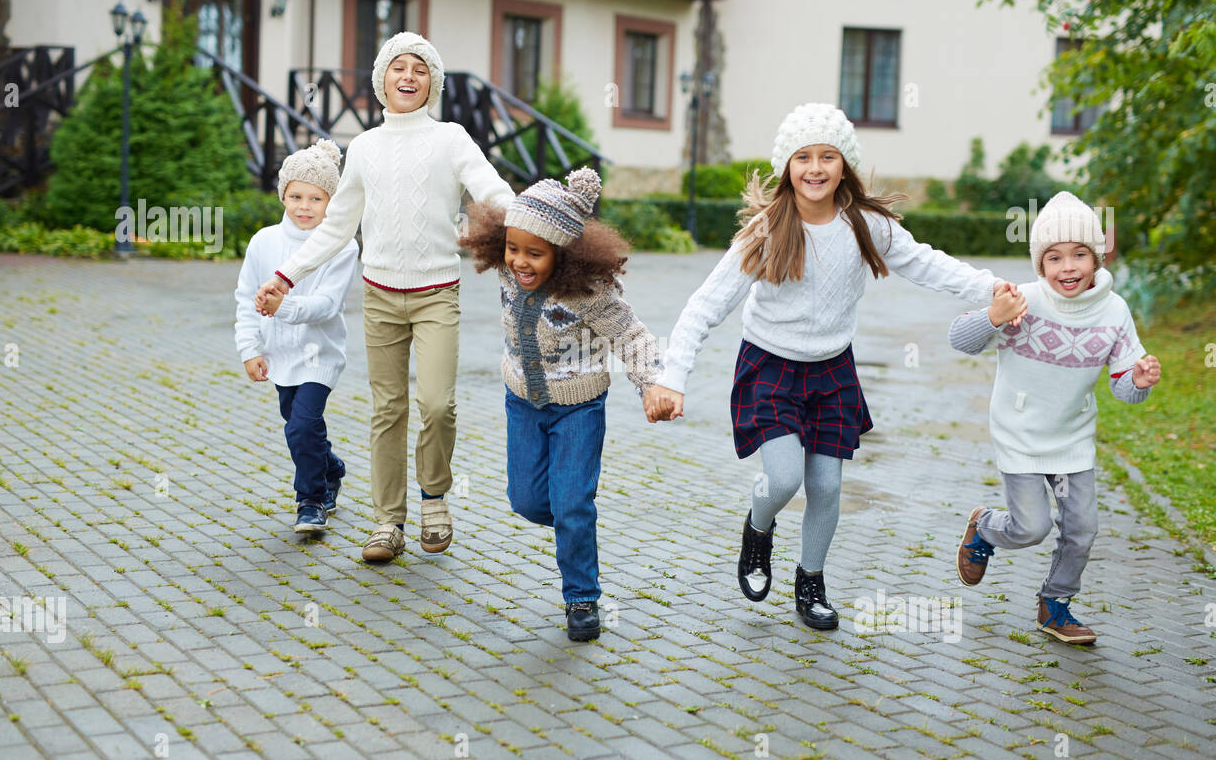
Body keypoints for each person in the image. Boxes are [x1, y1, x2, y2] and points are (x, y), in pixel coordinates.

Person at [644, 103, 1003, 631]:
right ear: (787, 166)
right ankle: (758, 527)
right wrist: (673, 377)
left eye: (827, 156)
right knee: (784, 478)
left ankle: (811, 581)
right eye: (803, 157)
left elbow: (927, 262)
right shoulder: (766, 229)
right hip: (768, 366)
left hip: (832, 370)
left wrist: (991, 287)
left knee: (829, 487)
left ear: (844, 165)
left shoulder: (867, 226)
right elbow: (706, 304)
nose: (815, 168)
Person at [254, 32, 514, 561]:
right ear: (382, 81)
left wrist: (528, 219)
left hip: (436, 294)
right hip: (379, 297)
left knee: (437, 405)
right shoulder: (366, 148)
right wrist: (287, 275)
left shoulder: (452, 139)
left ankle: (435, 499)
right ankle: (387, 522)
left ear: (431, 84)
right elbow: (336, 228)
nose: (409, 76)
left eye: (420, 69)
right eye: (399, 68)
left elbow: (491, 189)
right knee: (388, 410)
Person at [460, 167, 663, 641]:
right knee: (528, 501)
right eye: (513, 249)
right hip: (523, 403)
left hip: (579, 409)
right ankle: (573, 517)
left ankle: (582, 598)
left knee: (571, 502)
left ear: (565, 255)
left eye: (535, 253)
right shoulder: (509, 273)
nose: (521, 262)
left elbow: (632, 336)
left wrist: (652, 383)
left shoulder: (589, 291)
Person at [950, 190, 1161, 644]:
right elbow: (960, 339)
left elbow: (1125, 386)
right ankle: (985, 527)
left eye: (1080, 254)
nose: (1069, 267)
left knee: (1082, 528)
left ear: (1096, 258)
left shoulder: (1114, 311)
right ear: (1040, 265)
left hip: (1072, 439)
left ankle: (1056, 605)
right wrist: (992, 317)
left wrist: (1138, 382)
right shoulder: (1022, 300)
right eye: (1055, 257)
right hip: (1020, 434)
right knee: (1031, 527)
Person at [235, 139, 358, 534]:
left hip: (319, 354)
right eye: (296, 196)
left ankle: (311, 502)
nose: (304, 207)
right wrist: (250, 349)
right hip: (278, 354)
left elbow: (326, 305)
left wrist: (282, 307)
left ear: (331, 202)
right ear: (282, 196)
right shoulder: (264, 242)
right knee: (300, 426)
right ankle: (332, 468)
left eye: (316, 198)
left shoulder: (341, 247)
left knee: (302, 426)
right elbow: (244, 299)